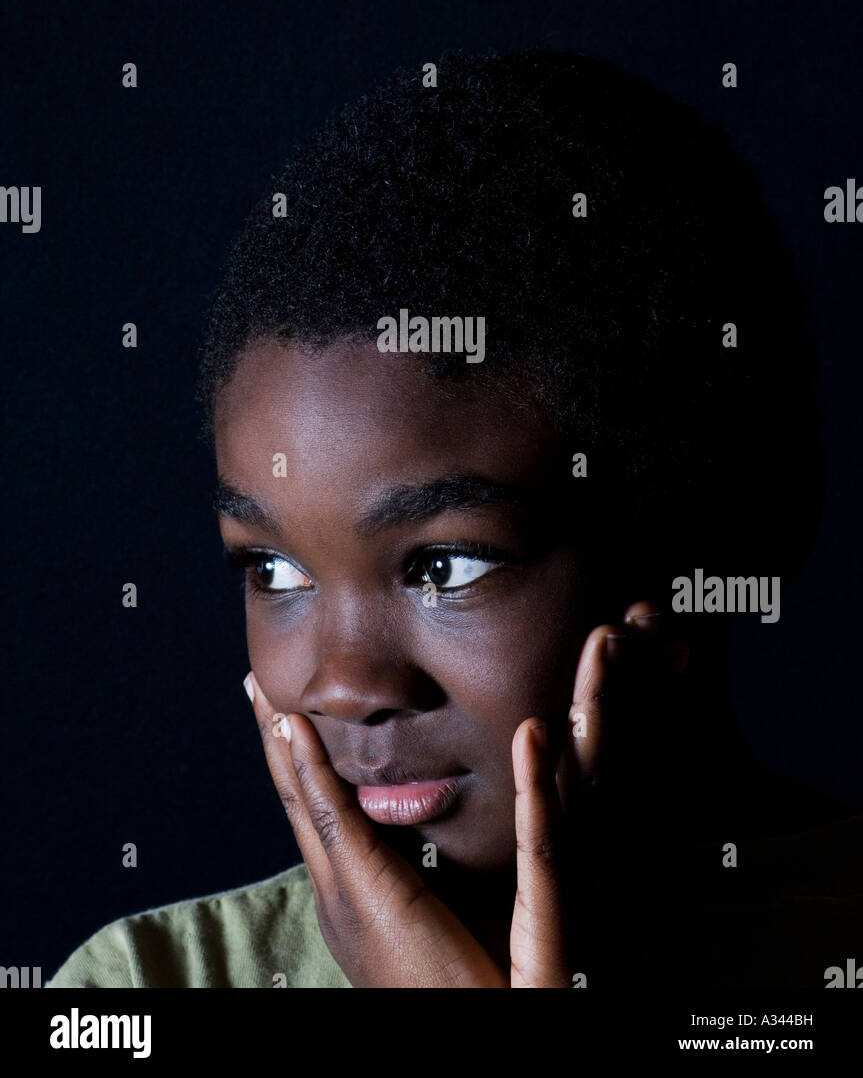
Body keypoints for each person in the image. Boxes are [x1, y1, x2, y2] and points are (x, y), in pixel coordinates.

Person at [48, 49, 862, 988]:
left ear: (707, 550)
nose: (345, 686)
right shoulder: (148, 986)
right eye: (273, 570)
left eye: (445, 566)